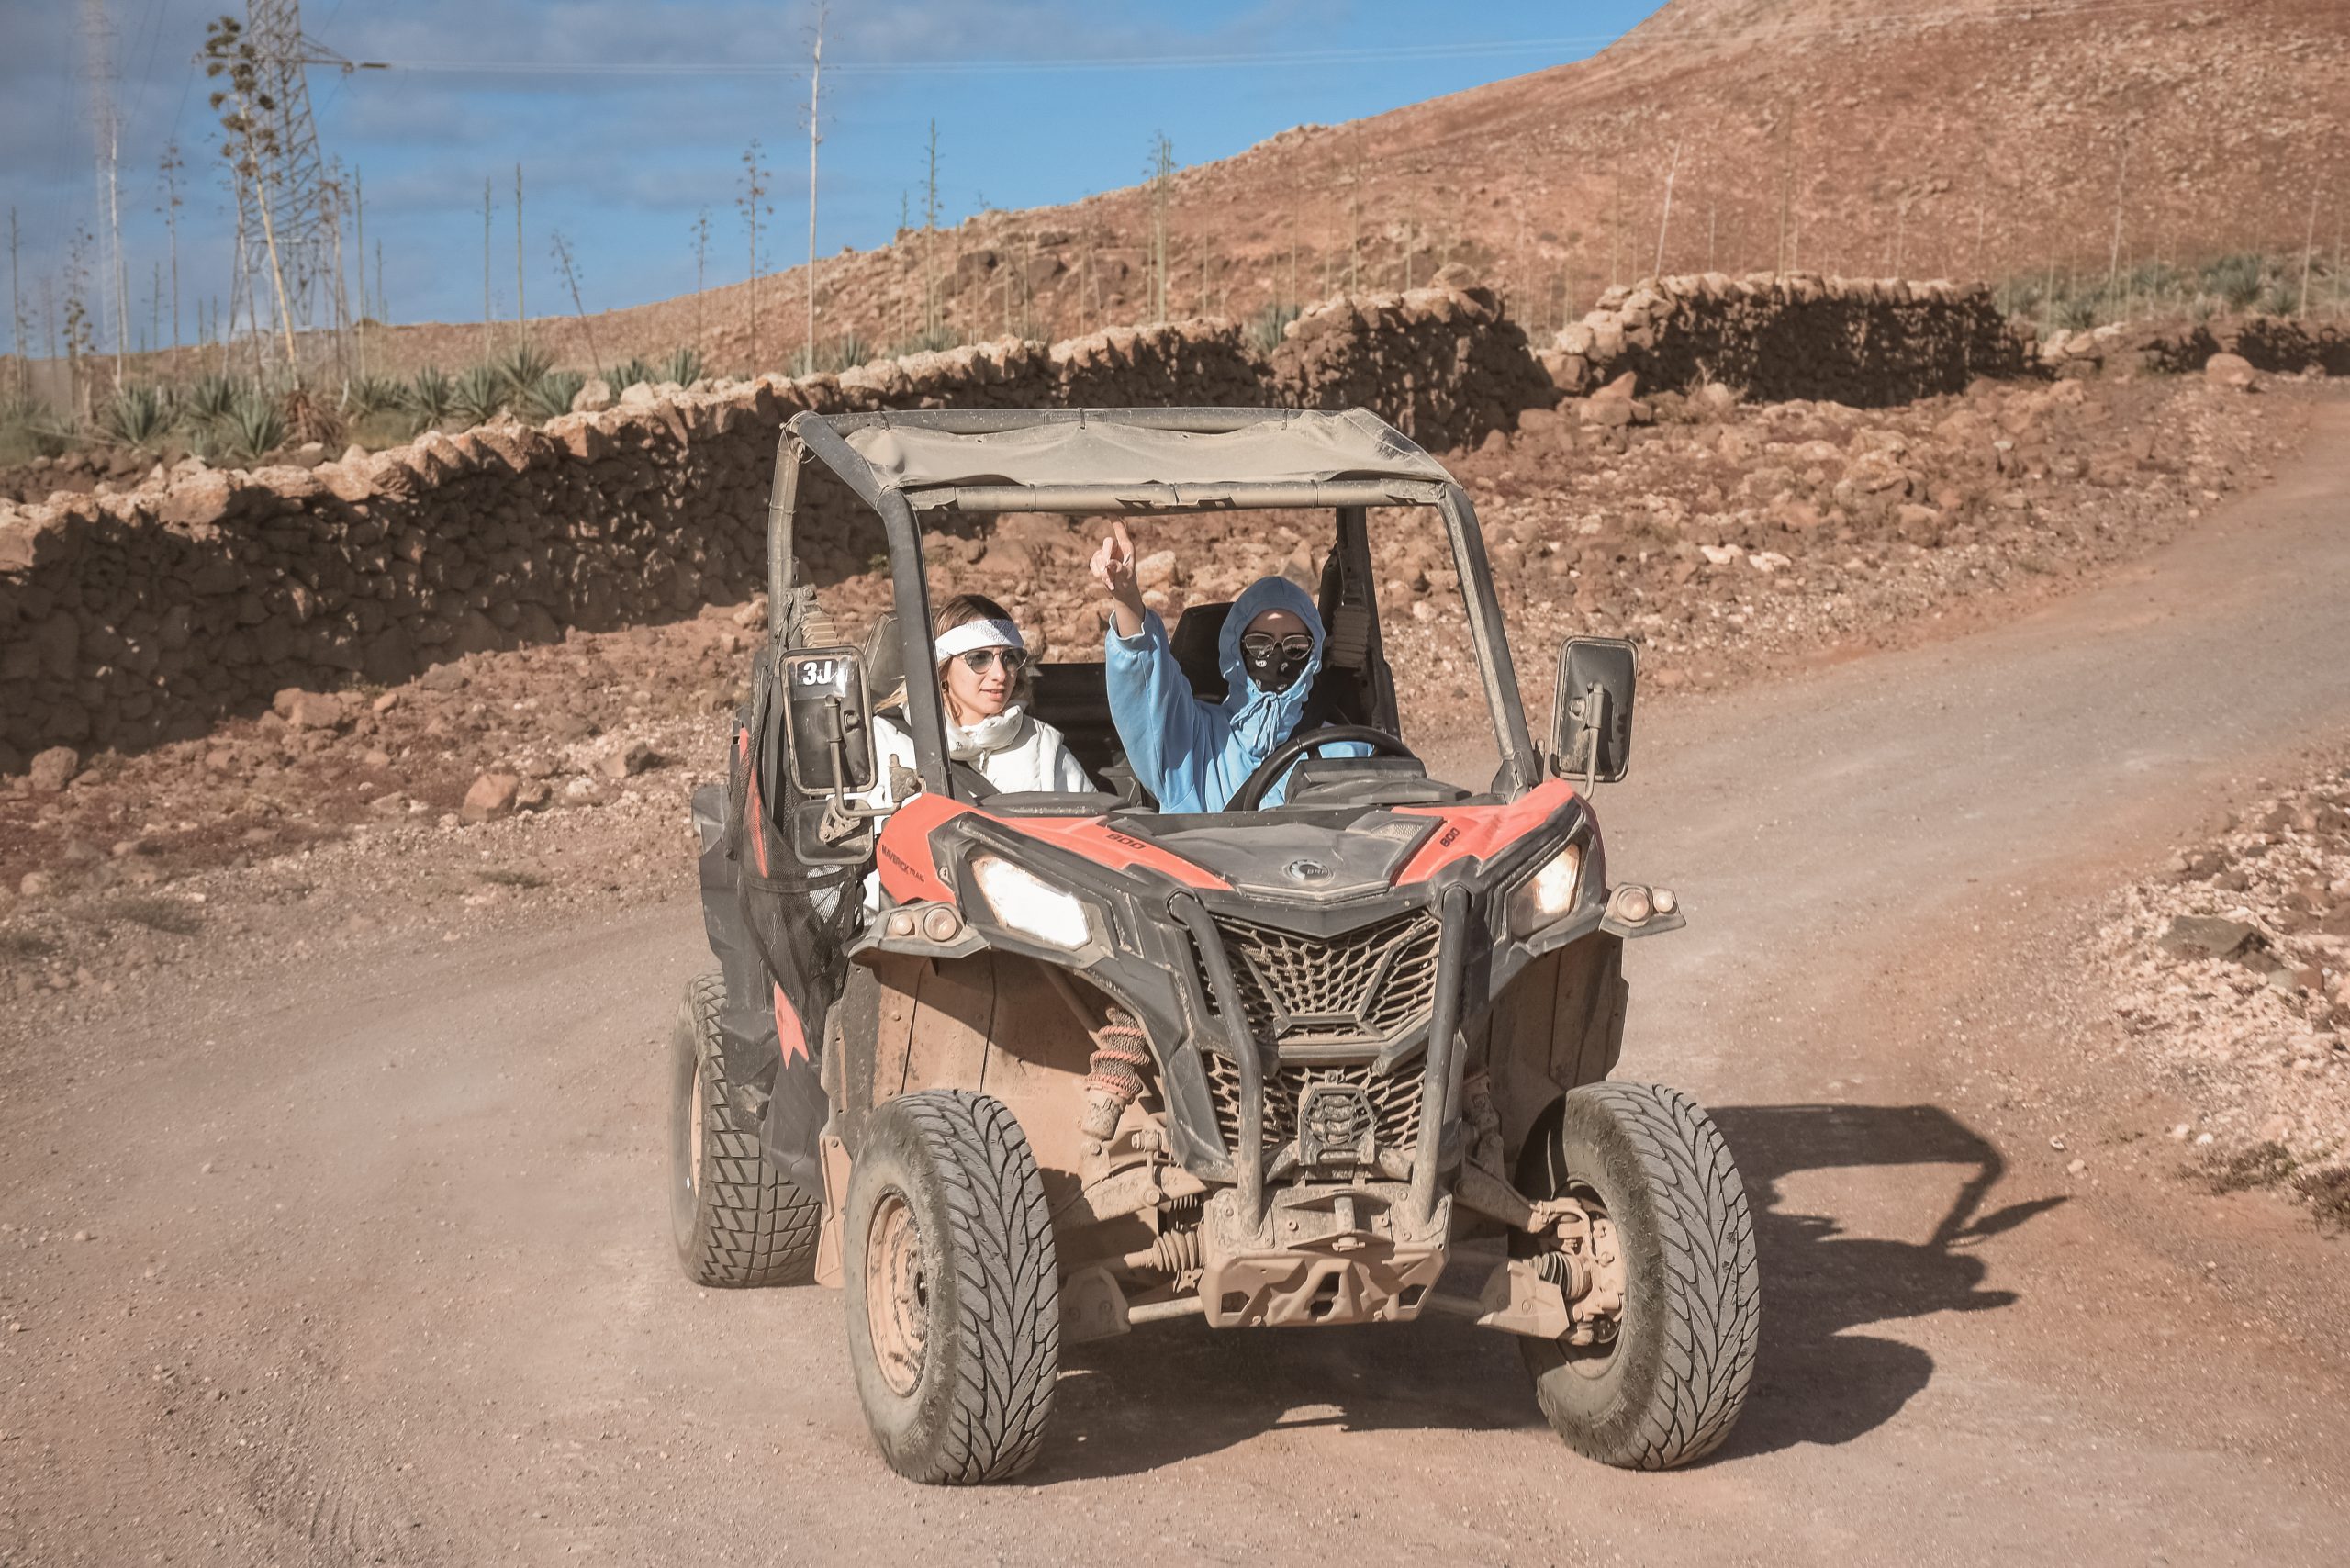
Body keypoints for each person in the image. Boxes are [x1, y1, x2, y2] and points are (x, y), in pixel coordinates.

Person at [1090, 521, 1371, 811]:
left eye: (1295, 646)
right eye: (1260, 643)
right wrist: (1126, 600)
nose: (1276, 655)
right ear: (1236, 651)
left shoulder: (1345, 749)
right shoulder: (1193, 737)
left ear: (1312, 657)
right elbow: (1146, 687)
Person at [864, 593, 1094, 813]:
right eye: (979, 658)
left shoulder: (1045, 748)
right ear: (942, 669)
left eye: (1009, 658)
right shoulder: (886, 742)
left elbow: (1092, 834)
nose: (1000, 674)